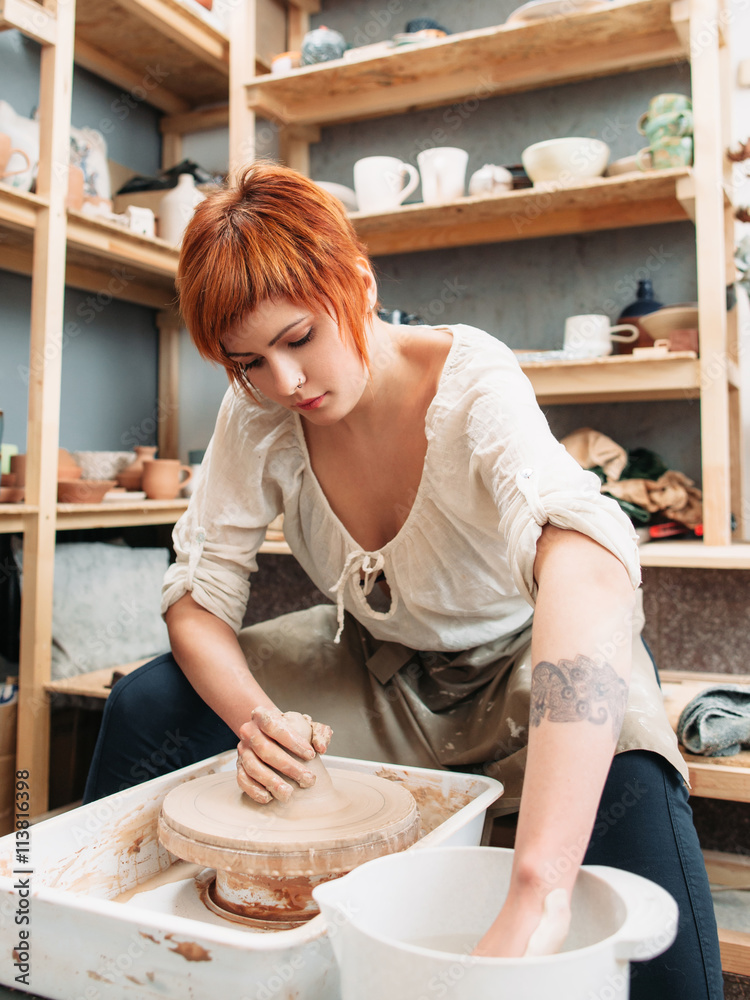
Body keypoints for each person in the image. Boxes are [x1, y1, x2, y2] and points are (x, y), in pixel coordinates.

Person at [84, 162, 722, 996]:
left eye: (299, 338)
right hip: (373, 662)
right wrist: (259, 723)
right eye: (248, 363)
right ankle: (88, 957)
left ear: (359, 284)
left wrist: (540, 884)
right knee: (147, 704)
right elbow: (201, 599)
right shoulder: (259, 413)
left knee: (633, 800)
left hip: (522, 662)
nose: (286, 384)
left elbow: (588, 562)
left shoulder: (471, 380)